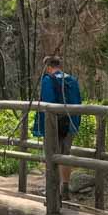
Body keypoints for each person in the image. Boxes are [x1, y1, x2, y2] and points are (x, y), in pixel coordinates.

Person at [33, 56, 82, 200]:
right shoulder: (72, 80)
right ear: (59, 65)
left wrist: (41, 127)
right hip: (70, 123)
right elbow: (78, 101)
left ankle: (52, 190)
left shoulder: (48, 80)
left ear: (47, 67)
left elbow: (47, 104)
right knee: (65, 155)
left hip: (53, 126)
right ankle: (64, 188)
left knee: (51, 155)